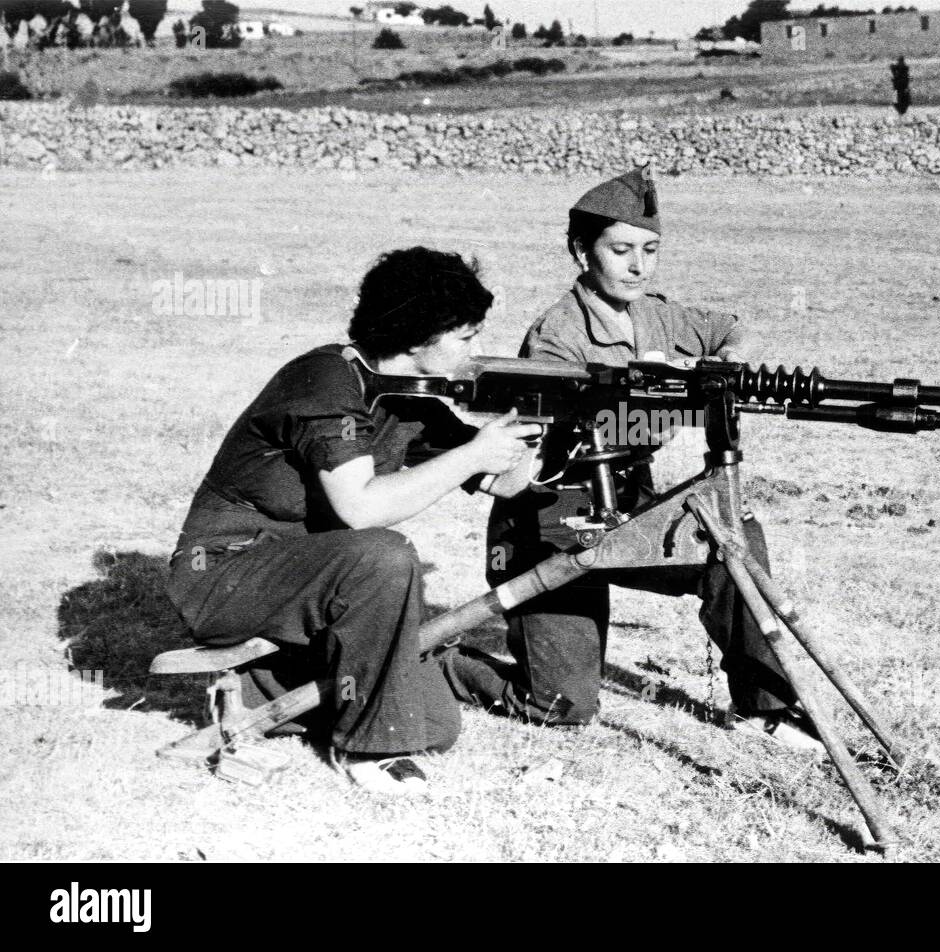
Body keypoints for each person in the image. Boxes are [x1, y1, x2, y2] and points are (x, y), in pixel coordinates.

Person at [444, 168, 823, 751]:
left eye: (650, 250)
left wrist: (714, 369)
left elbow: (733, 332)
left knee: (733, 540)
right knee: (560, 706)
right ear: (581, 251)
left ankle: (763, 707)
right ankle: (439, 663)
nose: (638, 266)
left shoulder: (662, 317)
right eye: (620, 250)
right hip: (550, 516)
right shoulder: (556, 335)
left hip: (630, 497)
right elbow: (529, 452)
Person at [166, 248, 541, 795]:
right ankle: (370, 748)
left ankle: (259, 688)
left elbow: (503, 482)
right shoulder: (323, 381)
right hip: (224, 572)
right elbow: (361, 508)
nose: (476, 351)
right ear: (418, 337)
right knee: (383, 554)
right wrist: (473, 453)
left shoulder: (407, 394)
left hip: (304, 578)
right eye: (466, 336)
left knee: (438, 724)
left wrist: (543, 434)